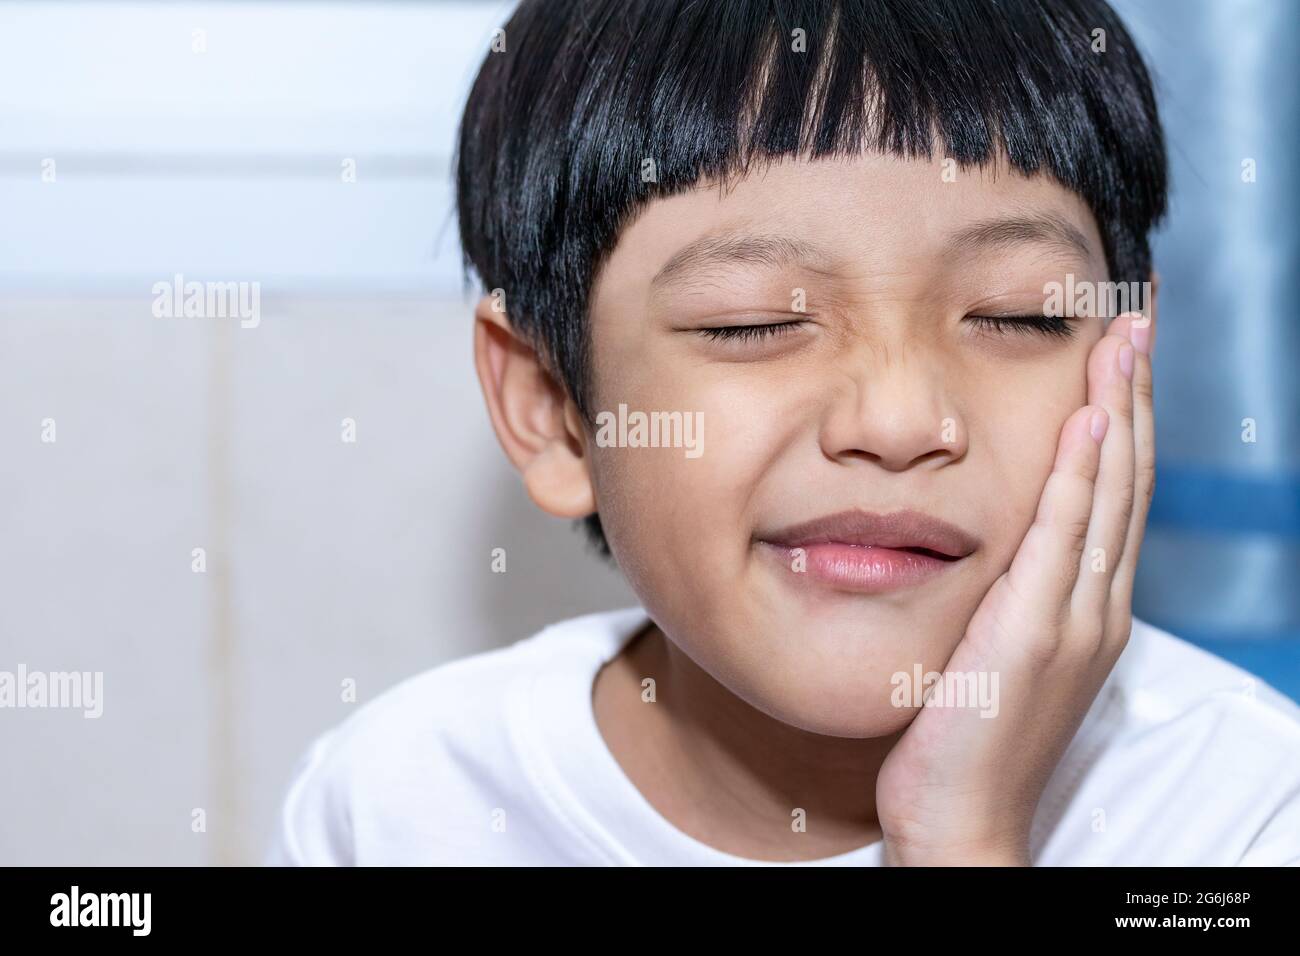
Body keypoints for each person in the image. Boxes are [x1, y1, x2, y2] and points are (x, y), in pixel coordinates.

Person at [267, 0, 1300, 866]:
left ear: (1131, 360)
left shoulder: (1243, 812)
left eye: (1015, 313)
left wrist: (964, 837)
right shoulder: (404, 801)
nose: (897, 422)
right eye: (751, 321)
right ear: (552, 408)